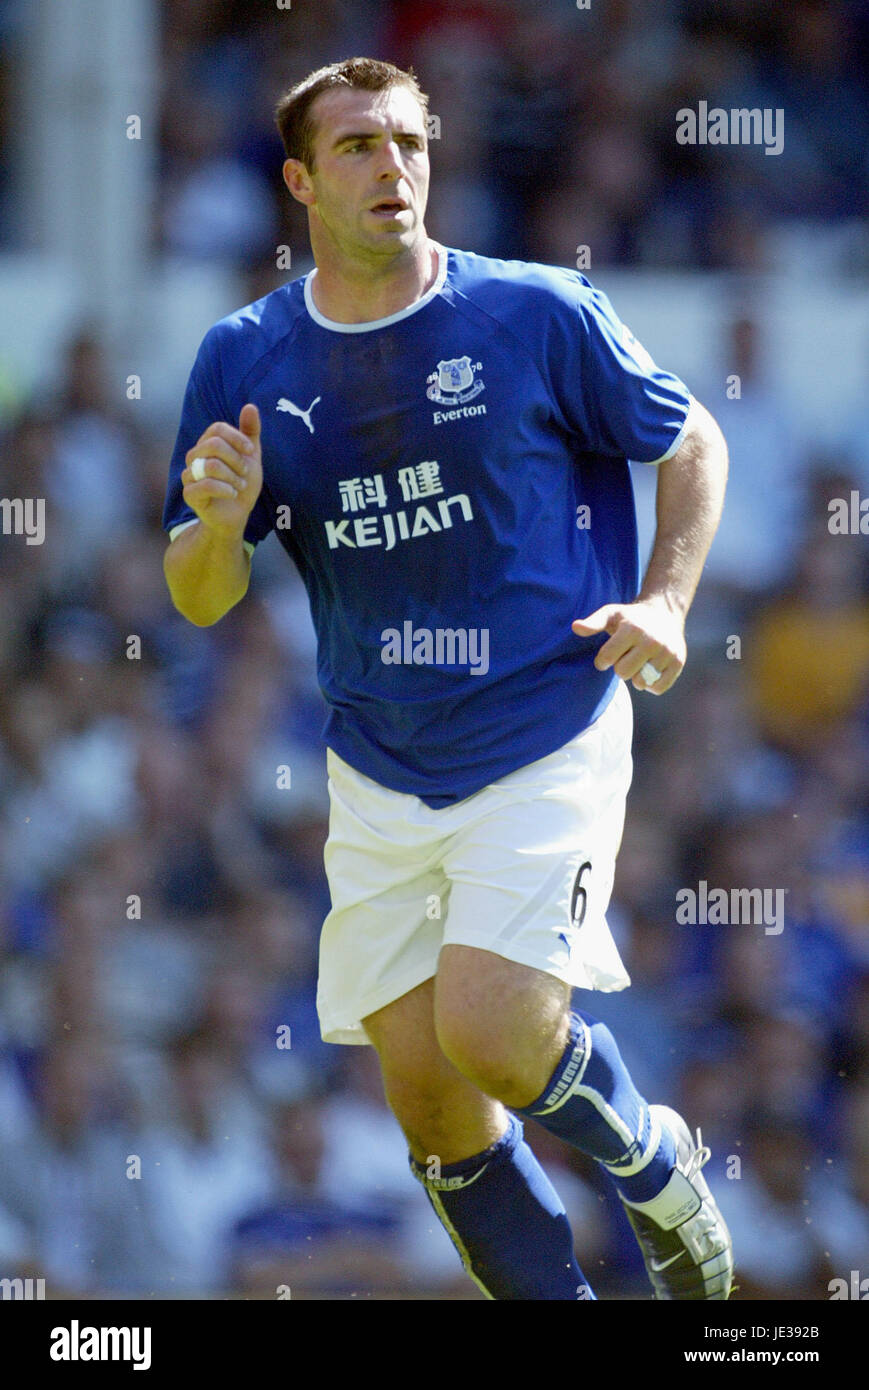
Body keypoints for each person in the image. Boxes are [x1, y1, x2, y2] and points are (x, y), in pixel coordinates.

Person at [162, 57, 732, 1301]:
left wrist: (669, 601)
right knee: (434, 1114)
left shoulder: (533, 312)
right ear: (303, 180)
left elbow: (690, 435)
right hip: (376, 758)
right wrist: (217, 528)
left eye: (410, 144)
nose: (393, 169)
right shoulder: (242, 358)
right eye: (360, 146)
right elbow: (198, 592)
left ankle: (652, 1161)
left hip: (544, 722)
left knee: (493, 1030)